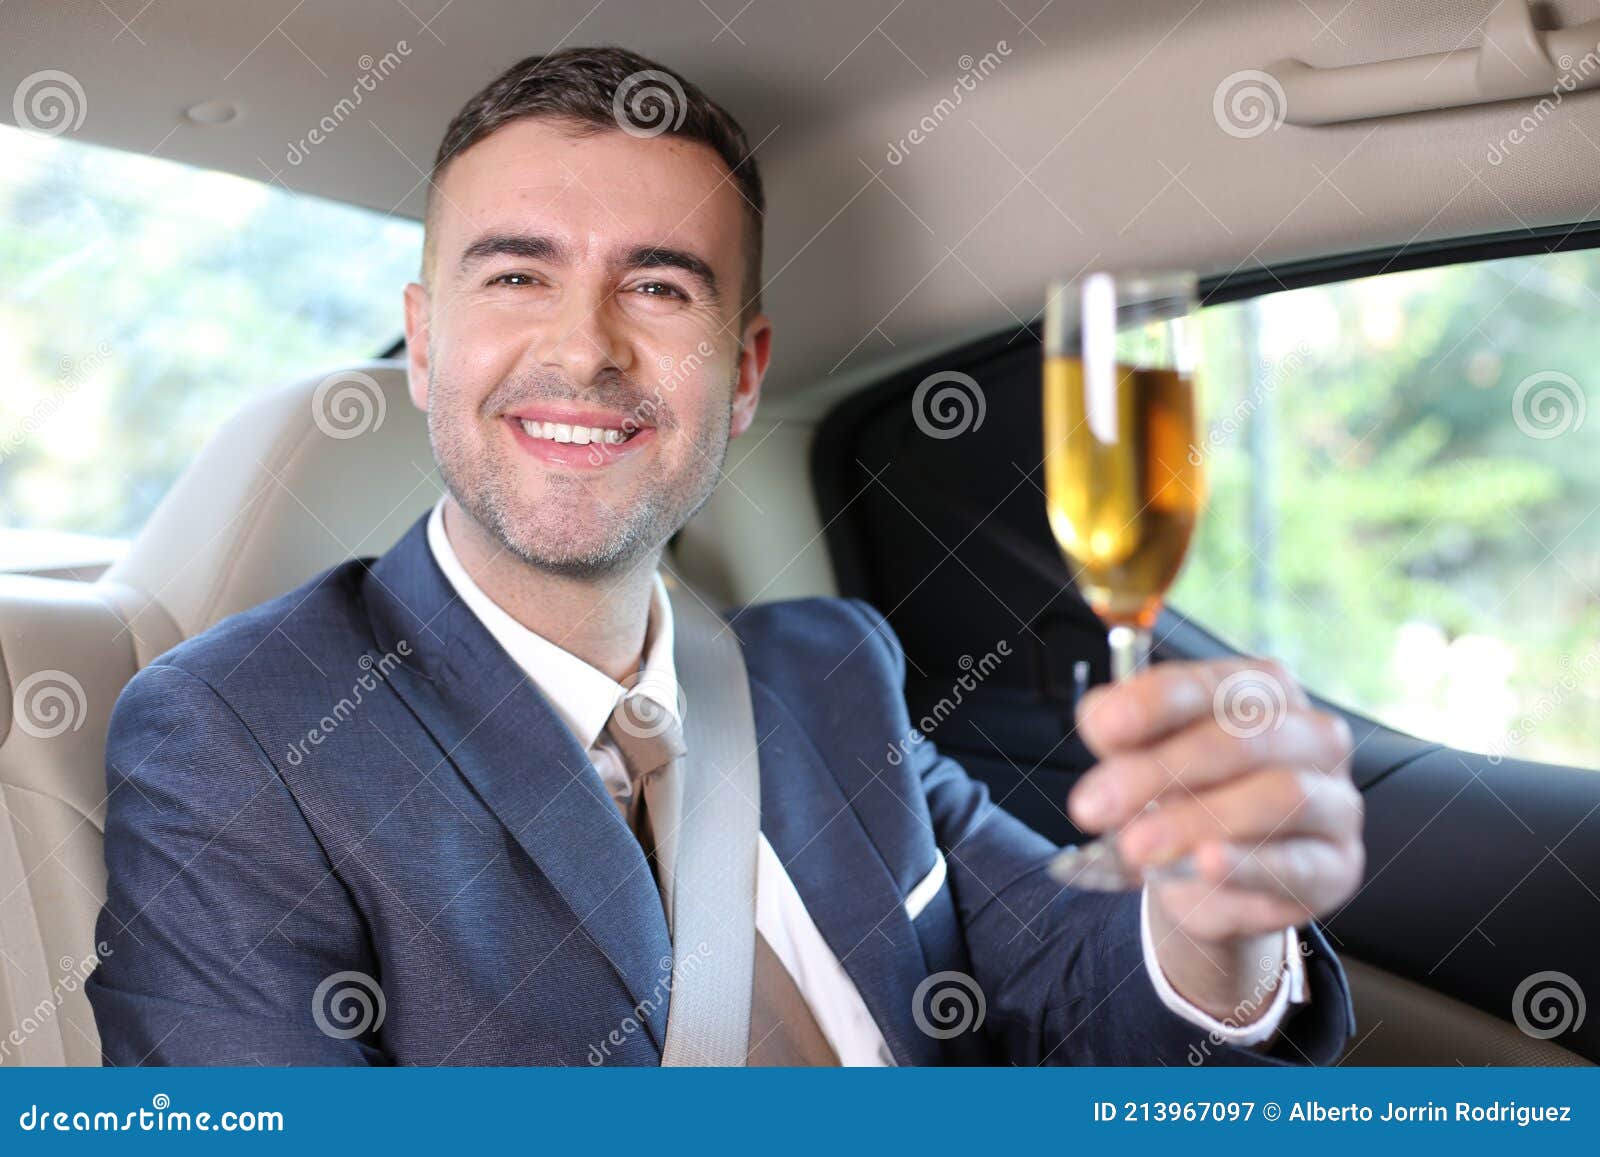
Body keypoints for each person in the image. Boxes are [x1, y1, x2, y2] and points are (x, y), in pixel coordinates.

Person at [87, 46, 1363, 1066]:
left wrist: (1219, 930)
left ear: (742, 373)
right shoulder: (240, 737)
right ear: (422, 346)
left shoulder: (825, 670)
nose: (584, 350)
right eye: (518, 276)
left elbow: (1087, 998)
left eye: (657, 288)